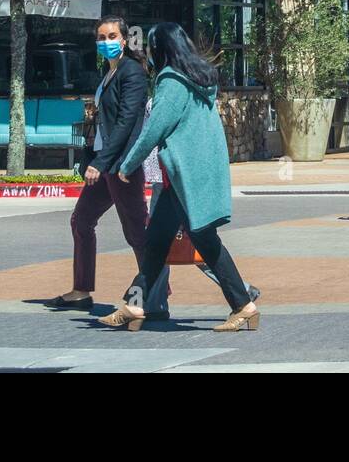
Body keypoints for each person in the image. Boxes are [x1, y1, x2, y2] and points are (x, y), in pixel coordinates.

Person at [97, 21, 258, 333]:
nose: (148, 53)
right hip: (187, 174)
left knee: (205, 241)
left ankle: (243, 305)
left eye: (151, 48)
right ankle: (135, 304)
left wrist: (128, 164)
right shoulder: (198, 78)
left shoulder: (172, 80)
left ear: (162, 49)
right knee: (156, 243)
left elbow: (156, 128)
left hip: (186, 176)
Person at [47, 16, 170, 317]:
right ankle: (81, 290)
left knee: (137, 232)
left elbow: (128, 122)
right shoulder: (109, 73)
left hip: (121, 165)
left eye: (112, 36)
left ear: (125, 40)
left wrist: (102, 162)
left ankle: (156, 294)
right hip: (105, 164)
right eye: (101, 37)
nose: (106, 42)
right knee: (81, 220)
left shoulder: (133, 73)